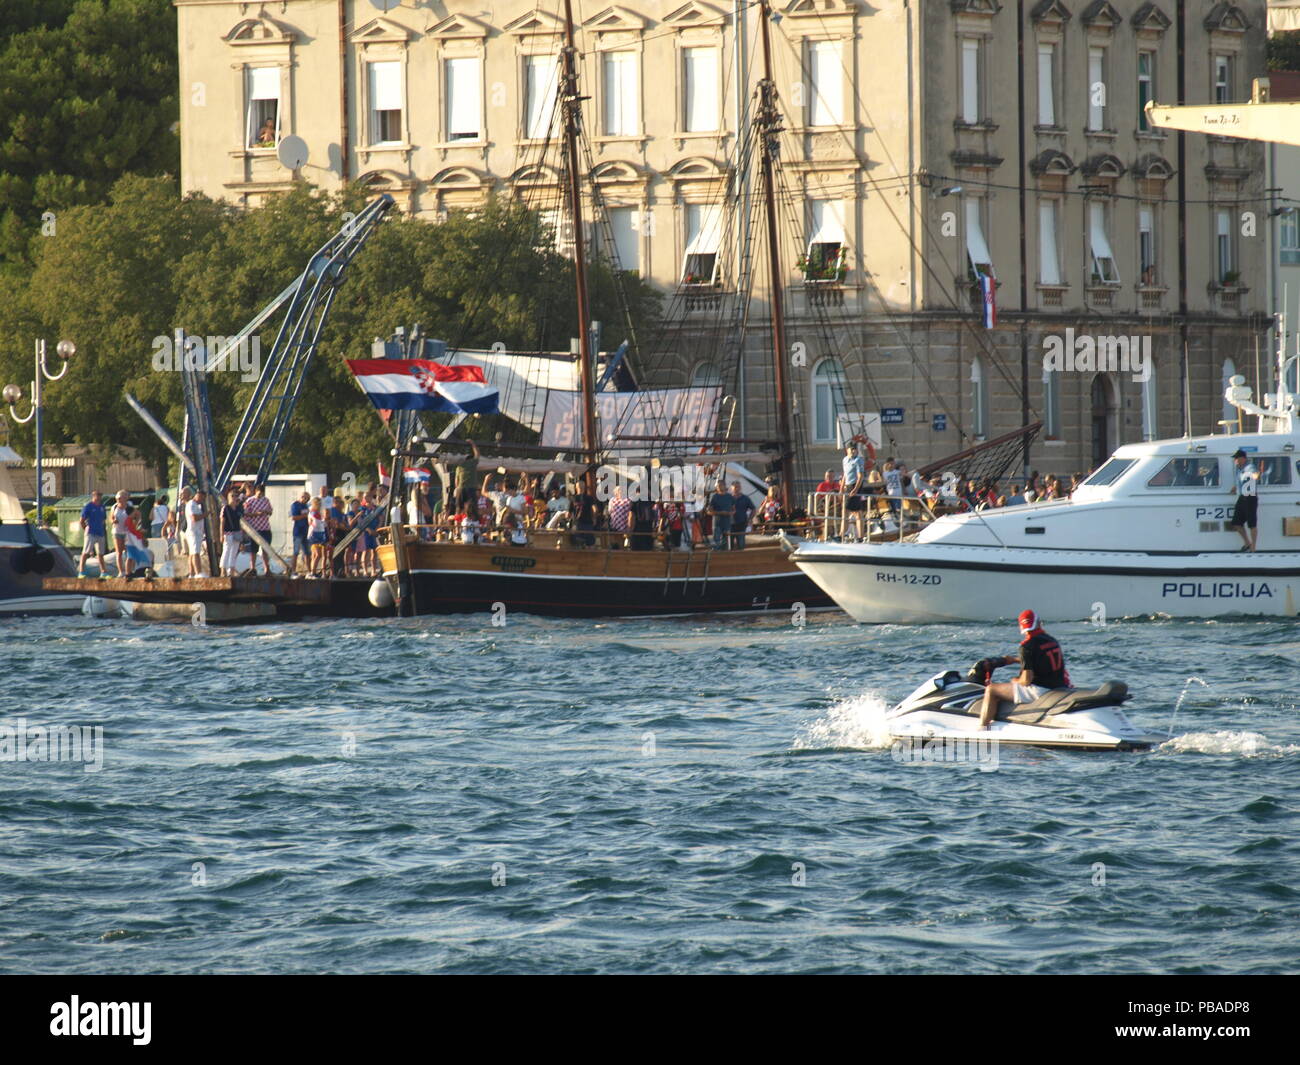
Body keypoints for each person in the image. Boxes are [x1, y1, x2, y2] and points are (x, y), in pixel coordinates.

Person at [977, 609, 1071, 729]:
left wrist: (1016, 681)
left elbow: (1027, 680)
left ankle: (982, 728)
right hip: (1058, 686)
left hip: (1040, 690)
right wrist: (1015, 660)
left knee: (991, 689)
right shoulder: (1051, 640)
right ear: (1038, 623)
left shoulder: (1026, 646)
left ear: (1021, 626)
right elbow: (1041, 658)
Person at [1228, 447, 1260, 552]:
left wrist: (1255, 476)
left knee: (1252, 524)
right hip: (1242, 497)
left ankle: (1253, 548)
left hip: (1250, 497)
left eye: (1237, 458)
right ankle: (1247, 543)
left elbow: (1254, 475)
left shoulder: (1250, 467)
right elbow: (1240, 481)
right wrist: (1235, 487)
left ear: (1243, 458)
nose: (1235, 460)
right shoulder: (1239, 469)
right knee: (1236, 523)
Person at [242, 483, 273, 575]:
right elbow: (246, 514)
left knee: (265, 549)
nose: (260, 495)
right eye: (259, 493)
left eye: (262, 493)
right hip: (255, 529)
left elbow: (270, 511)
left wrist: (266, 511)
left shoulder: (266, 500)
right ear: (256, 491)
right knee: (253, 550)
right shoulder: (249, 501)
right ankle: (253, 568)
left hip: (265, 528)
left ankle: (266, 568)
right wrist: (256, 514)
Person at [78, 490, 109, 578]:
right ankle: (81, 571)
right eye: (97, 495)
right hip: (91, 532)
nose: (99, 497)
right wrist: (86, 529)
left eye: (100, 495)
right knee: (86, 552)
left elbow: (103, 519)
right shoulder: (88, 507)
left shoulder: (102, 507)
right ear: (93, 496)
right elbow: (82, 520)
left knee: (100, 553)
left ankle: (103, 572)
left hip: (100, 532)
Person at [840, 444, 865, 540]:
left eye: (855, 449)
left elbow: (860, 476)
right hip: (847, 486)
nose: (853, 451)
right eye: (852, 449)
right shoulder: (845, 460)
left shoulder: (858, 460)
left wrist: (855, 489)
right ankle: (859, 536)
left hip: (855, 485)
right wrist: (841, 488)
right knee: (855, 512)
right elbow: (845, 475)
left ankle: (841, 535)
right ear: (847, 450)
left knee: (848, 511)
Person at [219, 488, 244, 577]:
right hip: (228, 532)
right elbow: (222, 522)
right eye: (232, 496)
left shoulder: (238, 509)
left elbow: (239, 522)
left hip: (236, 532)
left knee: (234, 552)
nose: (234, 498)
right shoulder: (225, 508)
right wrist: (221, 534)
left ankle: (231, 570)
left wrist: (241, 534)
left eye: (235, 496)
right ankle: (223, 570)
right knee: (226, 551)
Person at [110, 490, 132, 579]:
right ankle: (121, 571)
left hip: (127, 532)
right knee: (118, 552)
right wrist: (113, 521)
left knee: (128, 552)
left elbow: (135, 516)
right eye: (117, 498)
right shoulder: (114, 507)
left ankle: (128, 571)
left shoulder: (129, 507)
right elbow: (111, 518)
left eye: (120, 498)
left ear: (125, 498)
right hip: (117, 531)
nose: (118, 499)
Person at [186, 490, 207, 577]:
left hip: (197, 532)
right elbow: (194, 518)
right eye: (201, 497)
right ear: (197, 495)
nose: (202, 500)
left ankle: (192, 573)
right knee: (195, 553)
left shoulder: (196, 505)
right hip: (193, 532)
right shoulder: (191, 504)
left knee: (192, 553)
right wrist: (206, 514)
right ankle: (198, 572)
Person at [729, 482, 756, 550]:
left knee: (741, 544)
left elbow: (753, 509)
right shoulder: (728, 498)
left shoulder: (745, 498)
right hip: (729, 524)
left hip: (741, 523)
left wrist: (750, 518)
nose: (737, 489)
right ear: (731, 488)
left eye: (738, 487)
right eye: (735, 487)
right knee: (730, 545)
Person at [707, 480, 733, 549]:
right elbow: (710, 510)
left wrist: (730, 513)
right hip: (717, 523)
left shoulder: (730, 496)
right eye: (718, 486)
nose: (719, 487)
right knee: (716, 542)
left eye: (720, 485)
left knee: (726, 542)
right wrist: (720, 513)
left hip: (727, 523)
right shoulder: (714, 497)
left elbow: (734, 509)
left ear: (724, 486)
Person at [307, 497, 329, 576]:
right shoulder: (313, 513)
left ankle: (313, 571)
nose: (319, 505)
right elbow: (315, 523)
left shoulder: (319, 513)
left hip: (320, 534)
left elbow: (323, 523)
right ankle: (312, 572)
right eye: (317, 503)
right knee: (318, 554)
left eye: (320, 503)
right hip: (314, 535)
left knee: (316, 555)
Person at [290, 491, 310, 574]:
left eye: (306, 497)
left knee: (307, 553)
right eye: (303, 497)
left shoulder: (307, 506)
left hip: (306, 531)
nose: (304, 499)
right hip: (298, 531)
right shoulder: (295, 505)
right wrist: (304, 516)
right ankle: (293, 571)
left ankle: (310, 571)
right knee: (296, 552)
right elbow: (293, 517)